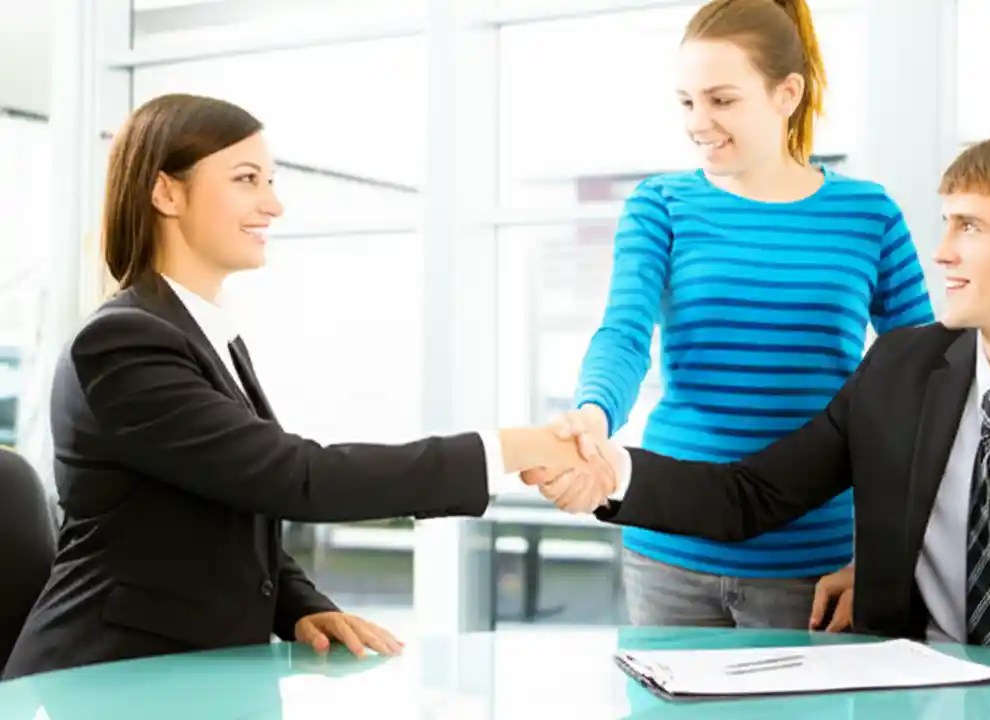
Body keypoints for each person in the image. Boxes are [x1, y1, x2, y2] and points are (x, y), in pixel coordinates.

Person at [538, 127, 990, 708]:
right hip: (901, 705)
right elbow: (750, 495)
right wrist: (612, 472)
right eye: (945, 223)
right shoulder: (898, 371)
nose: (942, 251)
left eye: (971, 227)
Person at [2, 93, 607, 680]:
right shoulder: (122, 344)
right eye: (246, 179)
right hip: (104, 678)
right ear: (166, 191)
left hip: (190, 671)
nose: (273, 205)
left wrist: (301, 605)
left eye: (272, 181)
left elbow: (233, 505)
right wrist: (510, 448)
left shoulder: (208, 337)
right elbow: (299, 479)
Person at [524, 0, 932, 631]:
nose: (699, 122)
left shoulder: (868, 214)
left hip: (812, 560)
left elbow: (920, 384)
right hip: (668, 548)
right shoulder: (660, 204)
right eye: (686, 102)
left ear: (786, 93)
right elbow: (625, 333)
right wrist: (593, 414)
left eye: (721, 100)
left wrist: (878, 555)